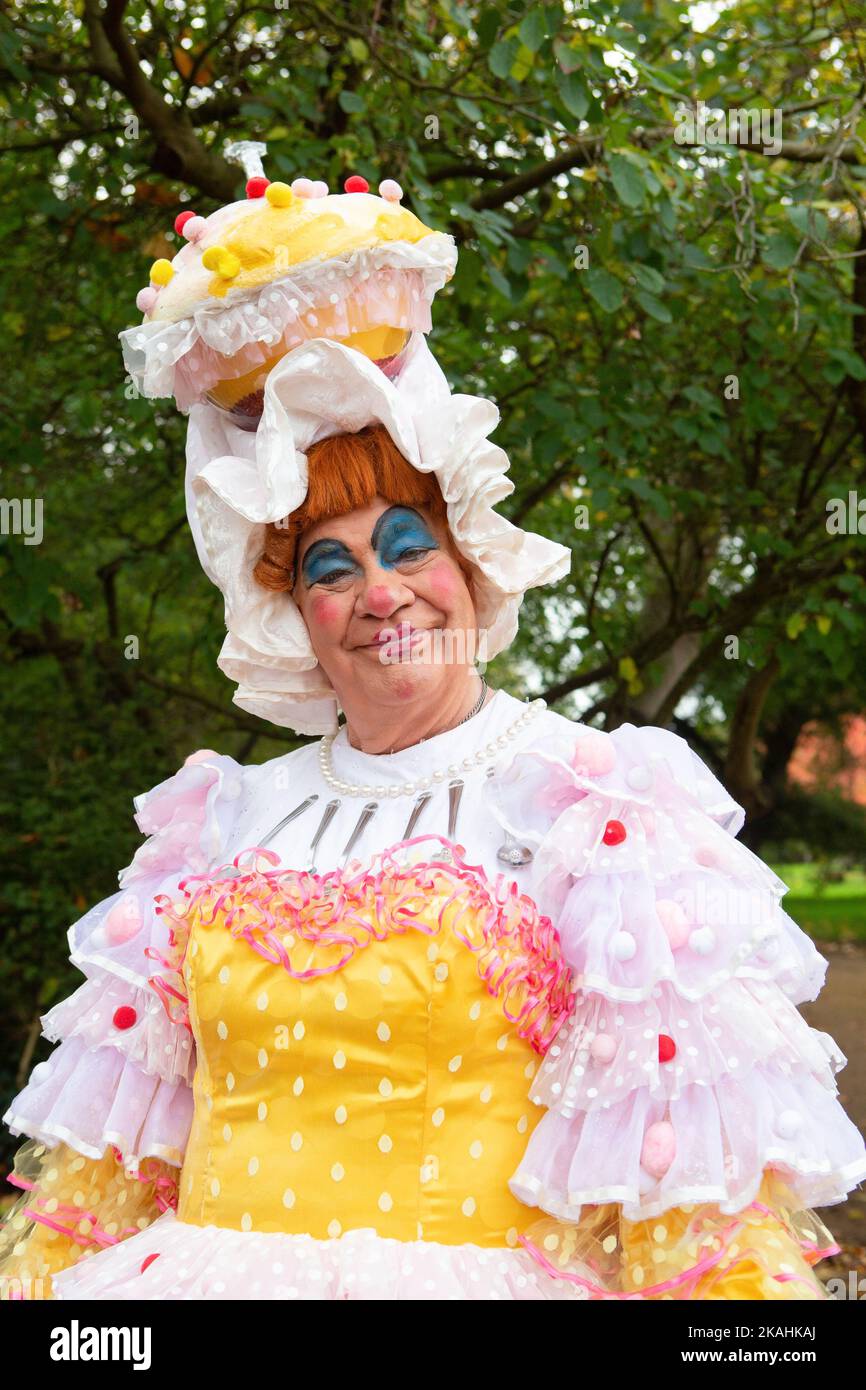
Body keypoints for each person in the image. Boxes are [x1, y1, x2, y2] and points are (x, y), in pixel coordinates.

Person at [2, 157, 864, 1301]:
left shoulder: (598, 809)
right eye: (329, 564)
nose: (380, 591)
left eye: (407, 545)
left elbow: (694, 1210)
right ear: (288, 609)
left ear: (466, 558)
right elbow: (99, 1181)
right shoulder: (215, 825)